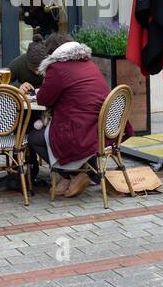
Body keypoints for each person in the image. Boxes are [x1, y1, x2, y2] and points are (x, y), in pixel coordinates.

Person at [25, 34, 126, 199]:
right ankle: (74, 175)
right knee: (51, 131)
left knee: (35, 138)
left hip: (80, 132)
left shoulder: (57, 68)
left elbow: (43, 99)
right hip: (103, 128)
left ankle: (74, 175)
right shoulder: (89, 63)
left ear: (52, 53)